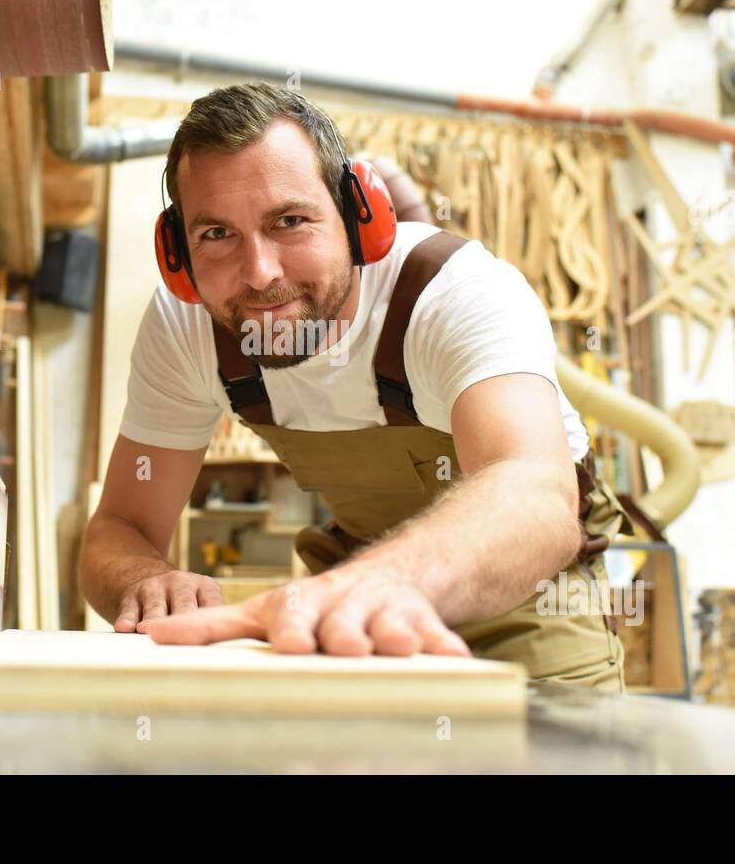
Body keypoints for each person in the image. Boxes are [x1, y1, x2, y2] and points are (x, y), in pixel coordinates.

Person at [79, 81, 632, 689]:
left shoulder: (455, 293)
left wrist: (378, 583)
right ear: (176, 254)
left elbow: (534, 496)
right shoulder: (186, 328)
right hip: (357, 601)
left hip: (524, 603)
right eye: (216, 235)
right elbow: (119, 525)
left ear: (358, 217)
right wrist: (142, 581)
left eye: (290, 221)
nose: (260, 273)